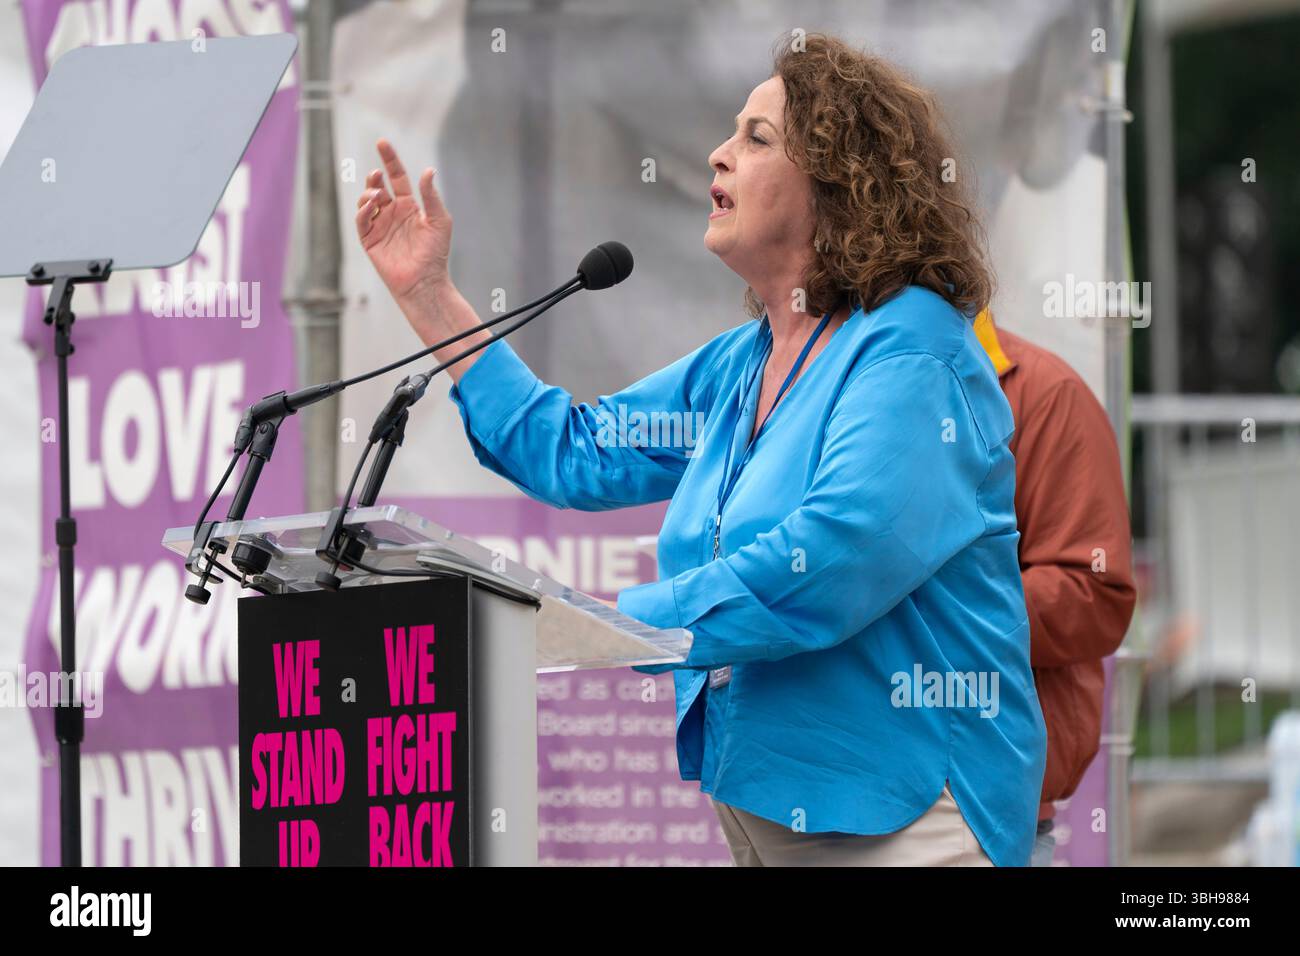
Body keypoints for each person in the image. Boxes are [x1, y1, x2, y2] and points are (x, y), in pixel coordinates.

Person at [355, 34, 1046, 866]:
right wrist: (430, 297)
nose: (720, 153)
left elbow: (832, 558)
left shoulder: (913, 351)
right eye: (731, 132)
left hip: (911, 816)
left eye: (756, 139)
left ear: (838, 180)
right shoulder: (743, 361)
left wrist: (613, 626)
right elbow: (572, 451)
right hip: (763, 804)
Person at [972, 311, 1137, 866]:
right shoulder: (804, 374)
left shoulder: (1045, 392)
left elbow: (1094, 591)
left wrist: (932, 611)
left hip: (978, 813)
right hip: (817, 796)